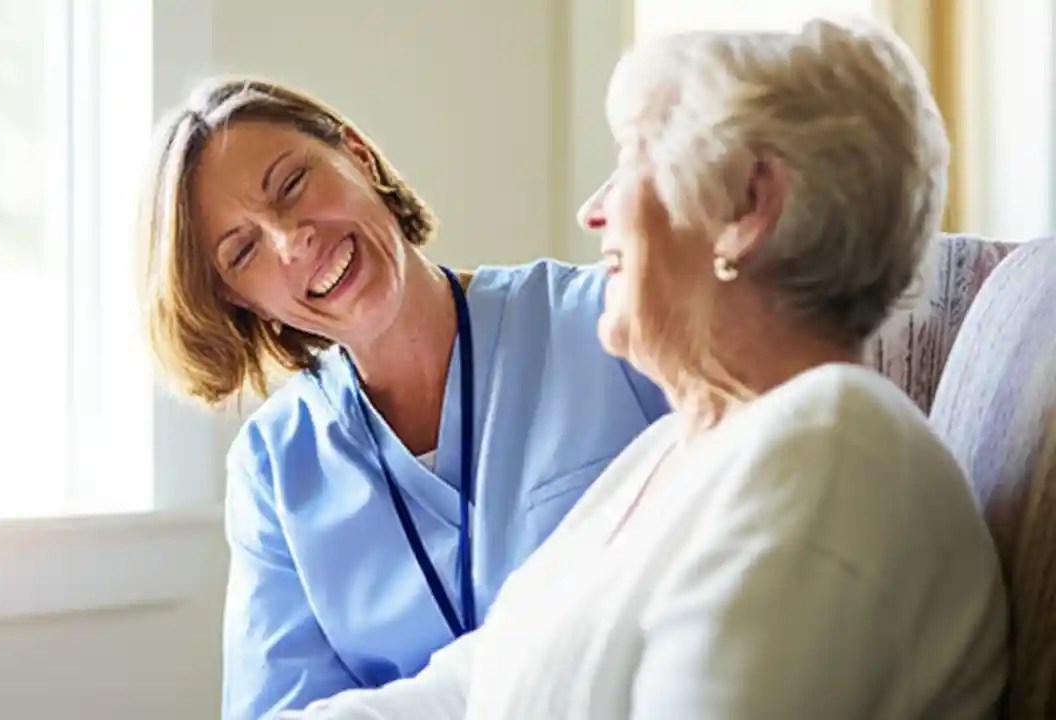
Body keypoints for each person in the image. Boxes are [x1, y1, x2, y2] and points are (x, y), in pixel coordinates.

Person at [285, 18, 1008, 720]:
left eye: (632, 157)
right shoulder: (675, 451)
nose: (592, 210)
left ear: (748, 205)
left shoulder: (828, 452)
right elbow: (469, 689)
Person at [137, 79, 669, 718]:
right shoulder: (275, 468)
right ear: (241, 301)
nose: (291, 239)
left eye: (291, 184)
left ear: (358, 156)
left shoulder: (605, 322)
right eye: (245, 250)